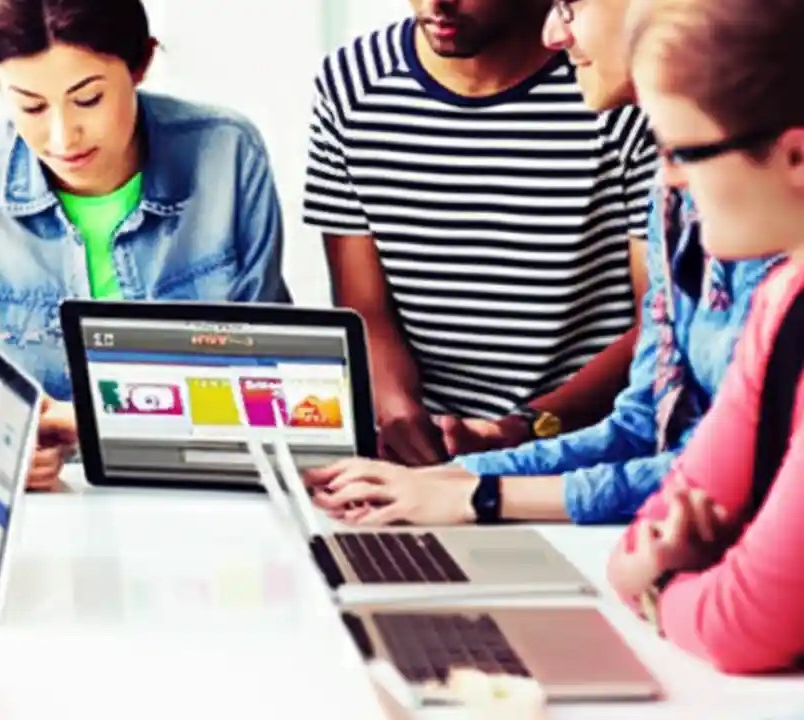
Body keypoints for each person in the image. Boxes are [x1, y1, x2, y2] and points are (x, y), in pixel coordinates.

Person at [303, 0, 780, 528]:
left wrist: (483, 490)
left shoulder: (759, 237)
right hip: (577, 488)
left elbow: (721, 475)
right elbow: (645, 422)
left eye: (569, 5)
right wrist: (447, 479)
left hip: (615, 497)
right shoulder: (676, 200)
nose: (555, 32)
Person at [0, 0, 291, 490]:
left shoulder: (227, 154)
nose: (63, 136)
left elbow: (269, 380)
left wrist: (102, 420)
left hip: (203, 492)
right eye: (31, 106)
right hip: (37, 514)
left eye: (88, 99)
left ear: (141, 64)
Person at [302, 0, 657, 467]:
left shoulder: (611, 82)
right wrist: (403, 420)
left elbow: (662, 321)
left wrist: (522, 428)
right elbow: (365, 310)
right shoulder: (351, 84)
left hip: (582, 449)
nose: (436, 5)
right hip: (423, 462)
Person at [607, 0, 804, 675]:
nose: (669, 179)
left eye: (681, 151)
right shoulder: (785, 297)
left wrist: (661, 587)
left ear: (797, 155)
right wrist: (662, 565)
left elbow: (744, 626)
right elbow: (655, 523)